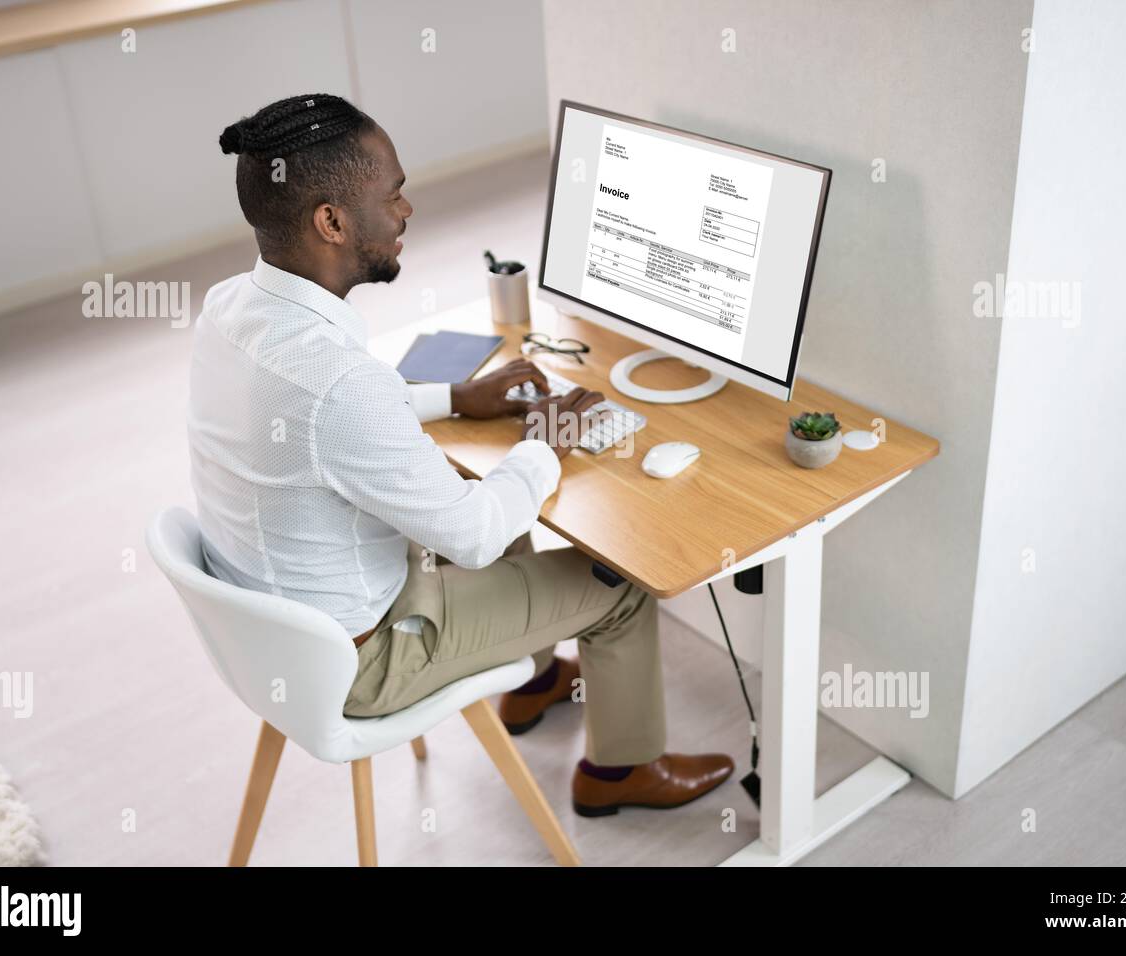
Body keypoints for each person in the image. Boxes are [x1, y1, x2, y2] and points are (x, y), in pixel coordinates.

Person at [187, 93, 733, 816]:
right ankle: (619, 773)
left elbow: (312, 419)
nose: (407, 210)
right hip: (364, 662)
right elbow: (471, 538)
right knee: (617, 583)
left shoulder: (231, 307)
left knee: (483, 479)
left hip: (279, 632)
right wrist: (546, 445)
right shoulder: (339, 383)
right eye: (395, 193)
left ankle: (531, 684)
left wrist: (453, 399)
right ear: (331, 221)